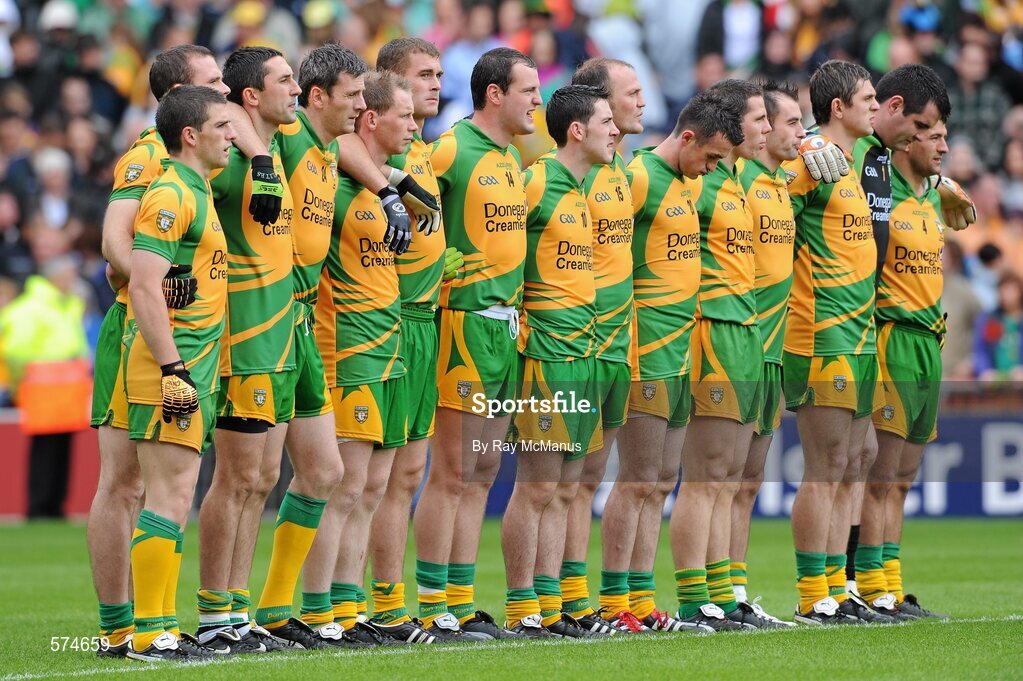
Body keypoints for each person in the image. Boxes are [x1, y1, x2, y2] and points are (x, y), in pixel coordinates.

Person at [86, 44, 236, 659]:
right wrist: (158, 287)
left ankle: (141, 628)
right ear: (181, 102)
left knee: (152, 486)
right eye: (213, 86)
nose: (227, 92)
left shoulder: (196, 178)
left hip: (174, 339)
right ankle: (134, 629)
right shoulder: (152, 164)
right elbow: (119, 247)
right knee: (132, 485)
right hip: (147, 336)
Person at [411, 47, 540, 640]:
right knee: (454, 470)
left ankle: (460, 602)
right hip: (462, 322)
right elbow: (398, 215)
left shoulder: (511, 157)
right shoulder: (449, 149)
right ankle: (432, 602)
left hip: (506, 328)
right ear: (495, 95)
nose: (537, 102)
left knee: (485, 470)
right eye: (528, 91)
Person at [621, 89, 741, 634]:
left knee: (663, 479)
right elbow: (605, 249)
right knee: (638, 478)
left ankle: (642, 603)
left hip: (680, 350)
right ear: (687, 138)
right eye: (711, 158)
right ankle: (613, 599)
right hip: (643, 350)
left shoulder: (685, 184)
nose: (712, 169)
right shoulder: (641, 176)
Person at [500, 83, 618, 638]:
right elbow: (499, 252)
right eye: (606, 122)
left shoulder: (581, 187)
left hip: (587, 352)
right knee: (539, 486)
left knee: (568, 489)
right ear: (578, 130)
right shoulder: (538, 180)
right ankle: (522, 607)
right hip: (548, 354)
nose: (616, 130)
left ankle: (552, 608)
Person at [194, 46, 300, 655]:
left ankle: (237, 610)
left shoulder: (276, 152)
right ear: (250, 97)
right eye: (284, 80)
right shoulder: (228, 159)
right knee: (235, 478)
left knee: (261, 479)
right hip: (242, 340)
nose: (295, 88)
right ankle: (214, 614)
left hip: (280, 336)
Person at [123, 84, 234, 661]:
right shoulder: (170, 192)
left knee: (177, 493)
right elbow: (142, 283)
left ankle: (160, 626)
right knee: (165, 495)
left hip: (194, 360)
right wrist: (171, 368)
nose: (232, 134)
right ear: (190, 135)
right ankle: (148, 631)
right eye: (221, 126)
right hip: (171, 364)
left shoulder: (198, 189)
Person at [364, 37, 466, 644]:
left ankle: (398, 605)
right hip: (387, 322)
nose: (434, 85)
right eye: (423, 76)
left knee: (406, 475)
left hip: (426, 320)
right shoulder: (368, 151)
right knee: (375, 478)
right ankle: (376, 604)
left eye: (438, 74)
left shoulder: (423, 152)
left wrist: (439, 263)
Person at [310, 69, 415, 647]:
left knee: (373, 488)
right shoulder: (340, 180)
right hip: (347, 346)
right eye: (406, 114)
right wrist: (385, 187)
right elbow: (339, 145)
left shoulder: (381, 178)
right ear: (372, 118)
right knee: (343, 486)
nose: (415, 125)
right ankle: (319, 609)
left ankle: (350, 611)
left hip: (390, 343)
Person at [781, 60, 883, 625]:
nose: (875, 105)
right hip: (822, 333)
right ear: (837, 107)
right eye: (866, 97)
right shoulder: (811, 157)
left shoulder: (856, 163)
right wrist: (799, 175)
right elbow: (772, 217)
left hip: (860, 331)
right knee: (827, 463)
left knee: (855, 458)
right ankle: (812, 592)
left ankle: (839, 586)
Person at [670, 78, 774, 631]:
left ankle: (722, 593)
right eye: (758, 119)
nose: (766, 129)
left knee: (730, 474)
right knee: (707, 472)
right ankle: (694, 599)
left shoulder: (737, 180)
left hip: (746, 332)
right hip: (709, 330)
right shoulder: (697, 180)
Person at [558, 57, 645, 635]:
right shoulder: (559, 175)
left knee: (587, 479)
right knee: (557, 480)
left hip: (618, 343)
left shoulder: (625, 172)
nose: (639, 103)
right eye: (630, 93)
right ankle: (550, 602)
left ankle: (584, 599)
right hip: (568, 345)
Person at [860, 119, 952, 620]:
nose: (944, 145)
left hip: (930, 343)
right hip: (892, 336)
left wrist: (946, 186)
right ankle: (873, 587)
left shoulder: (932, 197)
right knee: (881, 474)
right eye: (933, 135)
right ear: (908, 137)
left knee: (904, 478)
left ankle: (893, 585)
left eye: (944, 135)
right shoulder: (877, 189)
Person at [729, 80, 803, 626]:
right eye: (792, 123)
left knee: (749, 478)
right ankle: (713, 591)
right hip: (740, 345)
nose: (802, 133)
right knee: (725, 476)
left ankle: (735, 587)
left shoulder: (782, 182)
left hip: (773, 349)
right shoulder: (741, 182)